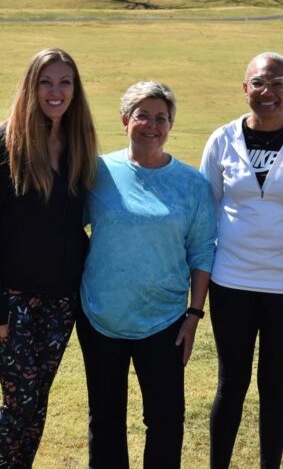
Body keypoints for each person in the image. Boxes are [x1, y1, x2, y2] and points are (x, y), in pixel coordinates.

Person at [199, 52, 283, 468]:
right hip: (231, 281)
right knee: (231, 384)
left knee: (274, 385)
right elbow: (208, 209)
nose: (267, 92)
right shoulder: (222, 139)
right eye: (258, 83)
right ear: (245, 89)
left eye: (277, 84)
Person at [77, 81, 216, 469]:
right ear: (125, 120)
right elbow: (66, 223)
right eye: (142, 116)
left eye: (161, 118)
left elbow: (203, 251)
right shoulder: (98, 172)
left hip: (165, 321)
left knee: (166, 420)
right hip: (100, 316)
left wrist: (194, 314)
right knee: (105, 419)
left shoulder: (192, 184)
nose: (152, 125)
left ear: (170, 125)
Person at [0, 48, 98, 468]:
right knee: (20, 399)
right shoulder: (2, 144)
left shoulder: (79, 143)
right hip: (13, 300)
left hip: (62, 300)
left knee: (37, 400)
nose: (55, 91)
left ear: (75, 90)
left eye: (64, 82)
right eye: (46, 82)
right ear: (31, 86)